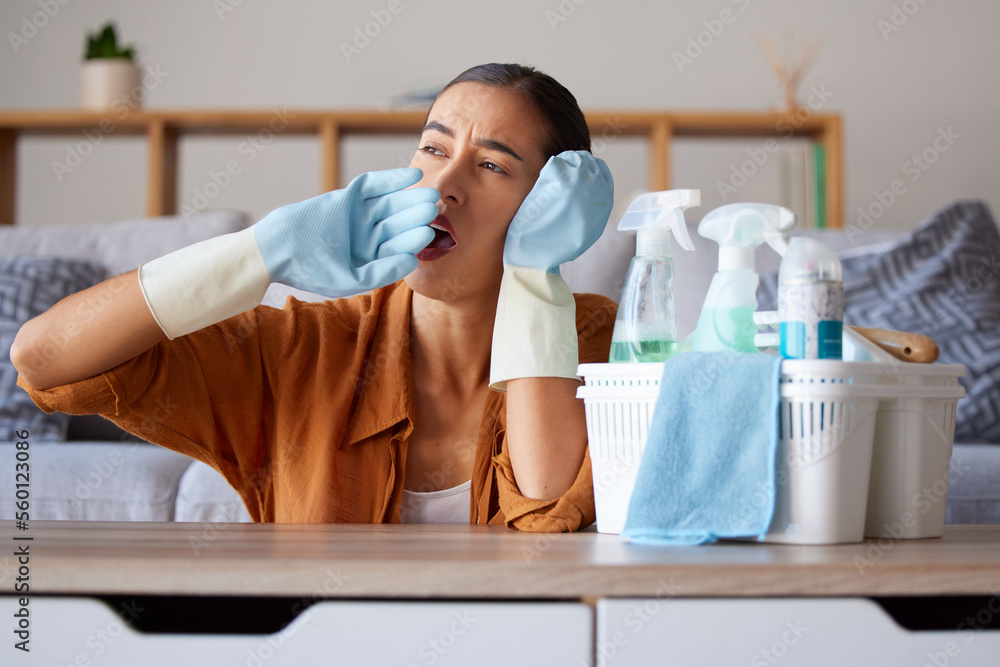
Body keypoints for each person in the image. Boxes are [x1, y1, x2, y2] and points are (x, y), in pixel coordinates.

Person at [11, 63, 617, 531]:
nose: (443, 185)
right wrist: (259, 251)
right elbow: (44, 359)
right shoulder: (302, 349)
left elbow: (545, 517)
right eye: (433, 149)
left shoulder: (600, 344)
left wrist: (537, 276)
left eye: (491, 166)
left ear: (550, 204)